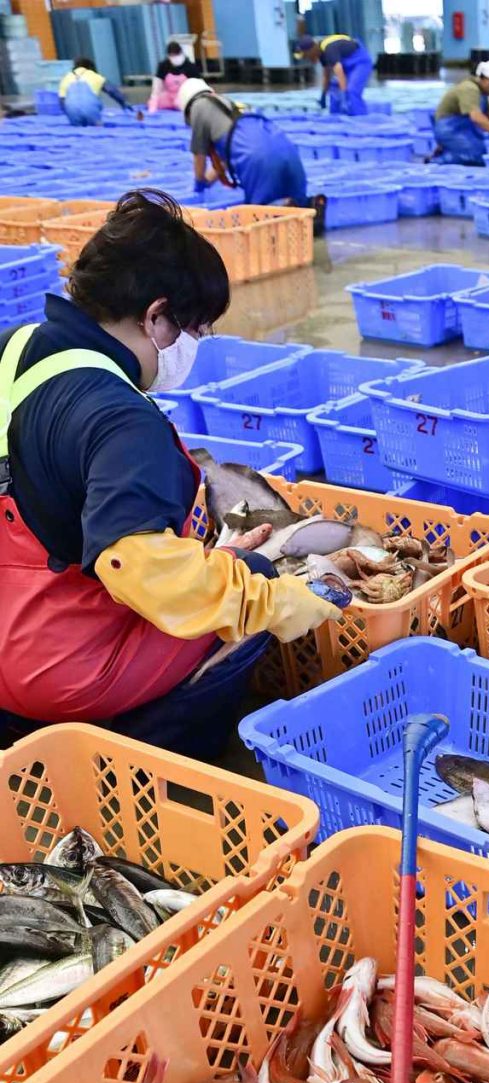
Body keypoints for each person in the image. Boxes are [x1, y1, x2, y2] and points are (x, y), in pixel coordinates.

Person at [0, 191, 338, 752]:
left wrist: (218, 564)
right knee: (258, 592)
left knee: (239, 568)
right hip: (61, 670)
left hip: (12, 627)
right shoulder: (121, 419)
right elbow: (135, 565)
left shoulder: (16, 349)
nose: (194, 345)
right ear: (156, 316)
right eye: (195, 329)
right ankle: (152, 748)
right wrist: (267, 599)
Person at [179, 79, 307, 208]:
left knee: (261, 218)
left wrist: (199, 186)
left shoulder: (198, 106)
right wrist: (207, 182)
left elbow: (199, 156)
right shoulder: (229, 105)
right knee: (300, 215)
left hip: (258, 162)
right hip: (289, 152)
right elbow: (224, 161)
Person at [432, 62, 489, 165]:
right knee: (472, 157)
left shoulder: (482, 91)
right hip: (448, 128)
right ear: (487, 81)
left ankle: (446, 151)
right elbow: (476, 117)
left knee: (481, 151)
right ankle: (436, 162)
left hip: (463, 128)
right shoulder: (470, 89)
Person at [294, 32, 373, 115]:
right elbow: (326, 75)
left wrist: (344, 94)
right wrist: (323, 95)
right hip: (347, 67)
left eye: (307, 55)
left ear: (312, 49)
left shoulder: (329, 49)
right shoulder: (321, 52)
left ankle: (359, 118)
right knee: (334, 87)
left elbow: (339, 72)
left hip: (360, 62)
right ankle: (337, 115)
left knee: (351, 90)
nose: (308, 59)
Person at [59, 58, 129, 126]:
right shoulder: (95, 76)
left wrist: (69, 113)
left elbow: (62, 101)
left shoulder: (66, 78)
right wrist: (123, 103)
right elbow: (112, 91)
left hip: (71, 110)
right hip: (91, 109)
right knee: (97, 127)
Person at [149, 42, 200, 113]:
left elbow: (198, 85)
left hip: (185, 95)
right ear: (168, 56)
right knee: (156, 102)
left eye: (176, 55)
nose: (174, 58)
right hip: (169, 96)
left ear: (181, 53)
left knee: (180, 104)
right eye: (172, 55)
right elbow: (157, 86)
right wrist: (153, 104)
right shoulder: (163, 66)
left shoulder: (190, 66)